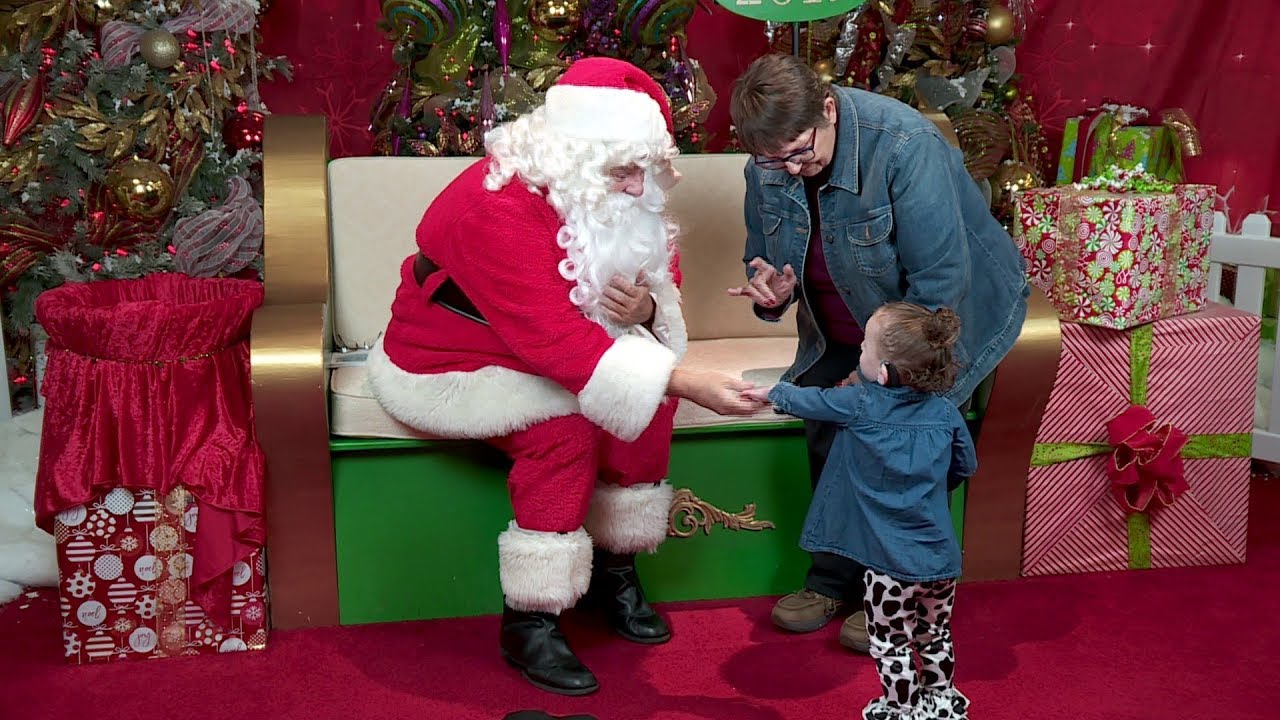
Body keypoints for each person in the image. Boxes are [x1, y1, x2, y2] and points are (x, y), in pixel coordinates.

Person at [365, 58, 765, 696]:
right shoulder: (491, 207)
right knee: (568, 426)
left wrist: (652, 309)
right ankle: (530, 618)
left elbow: (659, 279)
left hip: (552, 342)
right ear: (573, 154)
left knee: (647, 407)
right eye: (624, 171)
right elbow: (559, 343)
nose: (639, 188)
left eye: (646, 168)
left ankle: (615, 569)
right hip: (454, 354)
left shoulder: (616, 188)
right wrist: (688, 382)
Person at [727, 53, 1029, 652]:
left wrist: (881, 385)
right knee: (826, 427)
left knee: (900, 443)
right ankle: (834, 579)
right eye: (772, 160)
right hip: (845, 328)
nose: (789, 169)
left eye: (799, 152)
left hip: (936, 321)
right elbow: (764, 265)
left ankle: (896, 589)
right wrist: (772, 292)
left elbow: (941, 283)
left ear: (829, 110)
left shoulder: (904, 145)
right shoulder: (766, 167)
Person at [744, 302, 975, 720]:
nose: (859, 354)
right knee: (935, 634)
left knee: (891, 642)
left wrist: (769, 392)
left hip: (890, 568)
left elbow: (810, 401)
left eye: (864, 347)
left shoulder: (859, 405)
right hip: (942, 562)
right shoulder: (946, 414)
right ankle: (942, 703)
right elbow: (964, 467)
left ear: (883, 373)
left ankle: (900, 708)